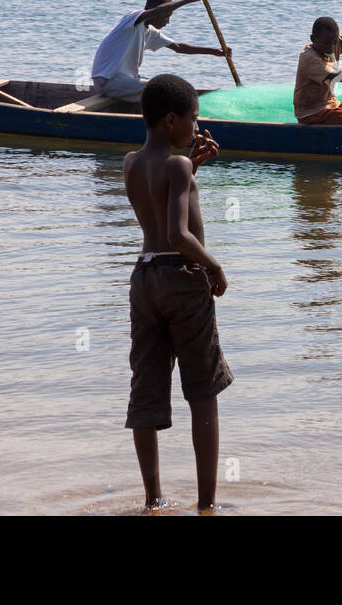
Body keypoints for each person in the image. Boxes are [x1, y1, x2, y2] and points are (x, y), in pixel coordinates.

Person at [122, 73, 232, 512]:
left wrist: (191, 166)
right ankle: (206, 504)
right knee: (202, 391)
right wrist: (215, 266)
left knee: (146, 389)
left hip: (144, 278)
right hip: (182, 280)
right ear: (171, 119)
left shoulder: (131, 162)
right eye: (193, 118)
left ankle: (153, 500)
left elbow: (158, 201)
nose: (195, 126)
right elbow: (178, 233)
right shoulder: (178, 165)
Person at [91, 0, 232, 102]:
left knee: (165, 86)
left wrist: (216, 51)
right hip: (107, 81)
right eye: (167, 16)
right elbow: (159, 10)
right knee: (160, 89)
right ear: (155, 12)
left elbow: (178, 47)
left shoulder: (151, 32)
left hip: (123, 82)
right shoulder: (132, 18)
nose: (167, 22)